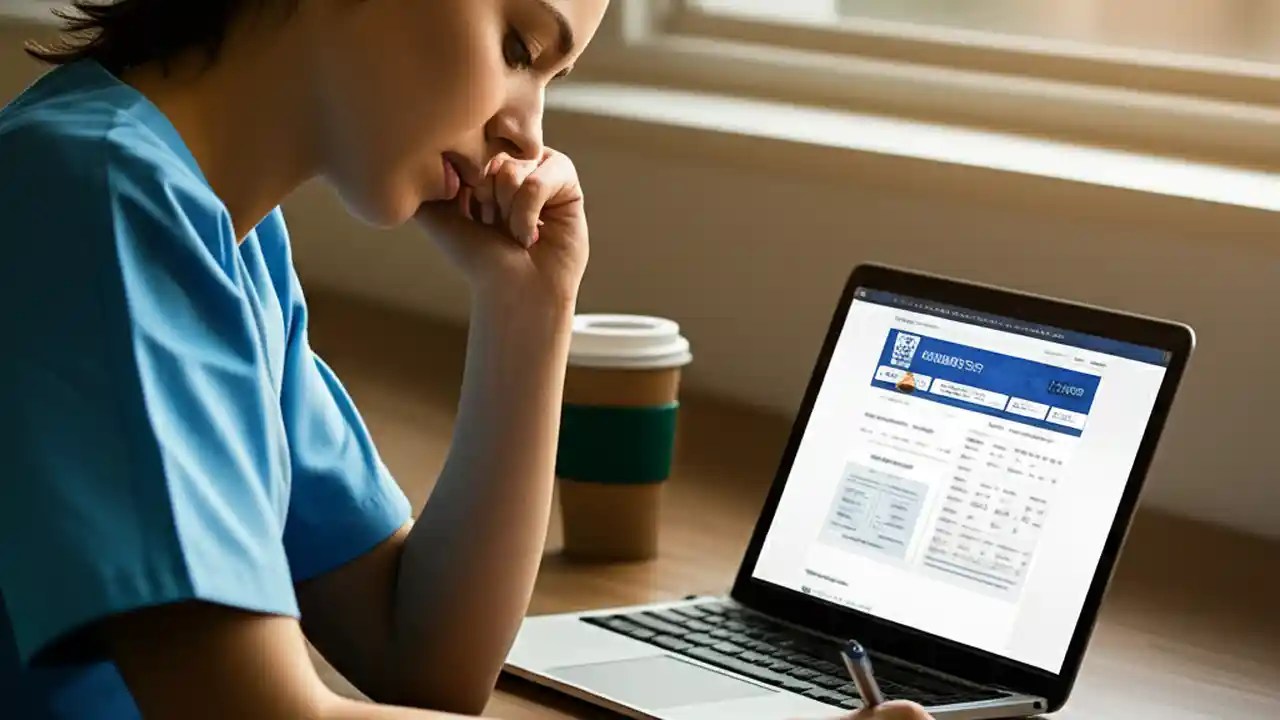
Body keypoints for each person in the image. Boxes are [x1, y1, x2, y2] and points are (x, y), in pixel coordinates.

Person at [0, 1, 934, 719]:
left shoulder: (229, 240)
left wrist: (531, 305)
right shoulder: (94, 198)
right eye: (519, 48)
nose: (527, 133)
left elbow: (423, 655)